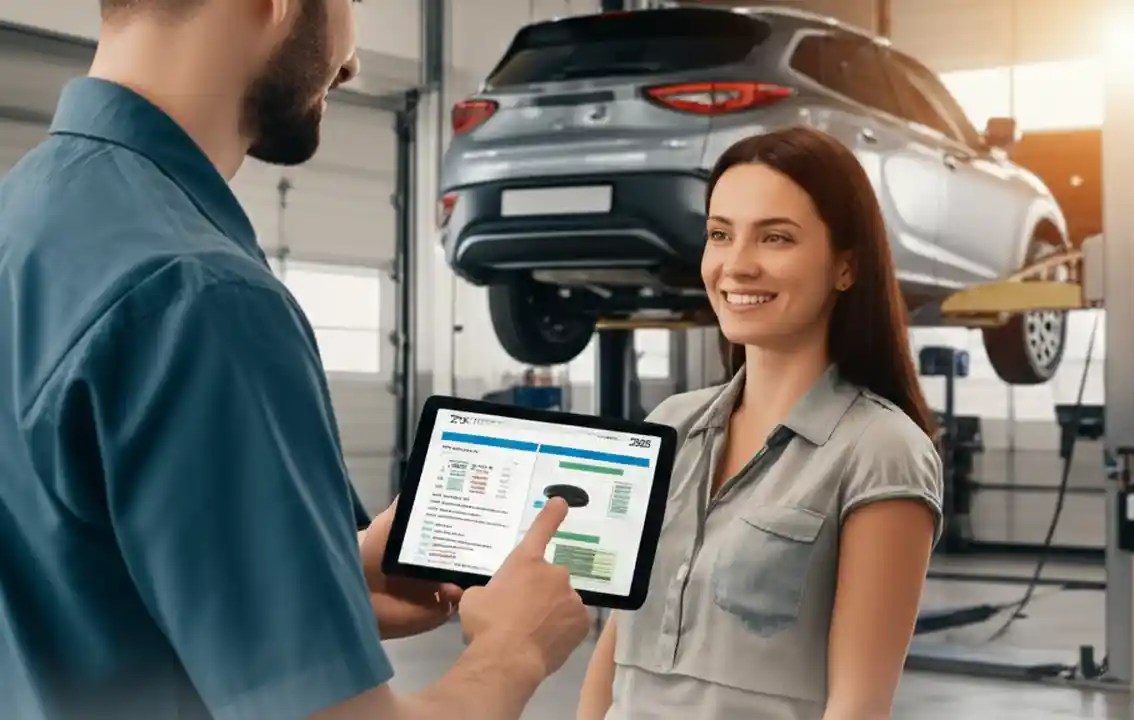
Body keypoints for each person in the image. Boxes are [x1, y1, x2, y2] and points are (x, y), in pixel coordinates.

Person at [0, 1, 589, 719]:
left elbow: (79, 579)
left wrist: (330, 568)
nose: (352, 59)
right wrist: (515, 648)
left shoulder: (23, 220)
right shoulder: (198, 295)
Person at [577, 127, 945, 720]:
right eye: (720, 235)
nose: (737, 265)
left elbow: (858, 706)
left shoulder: (881, 449)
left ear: (846, 266)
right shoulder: (670, 425)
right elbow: (617, 651)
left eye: (775, 238)